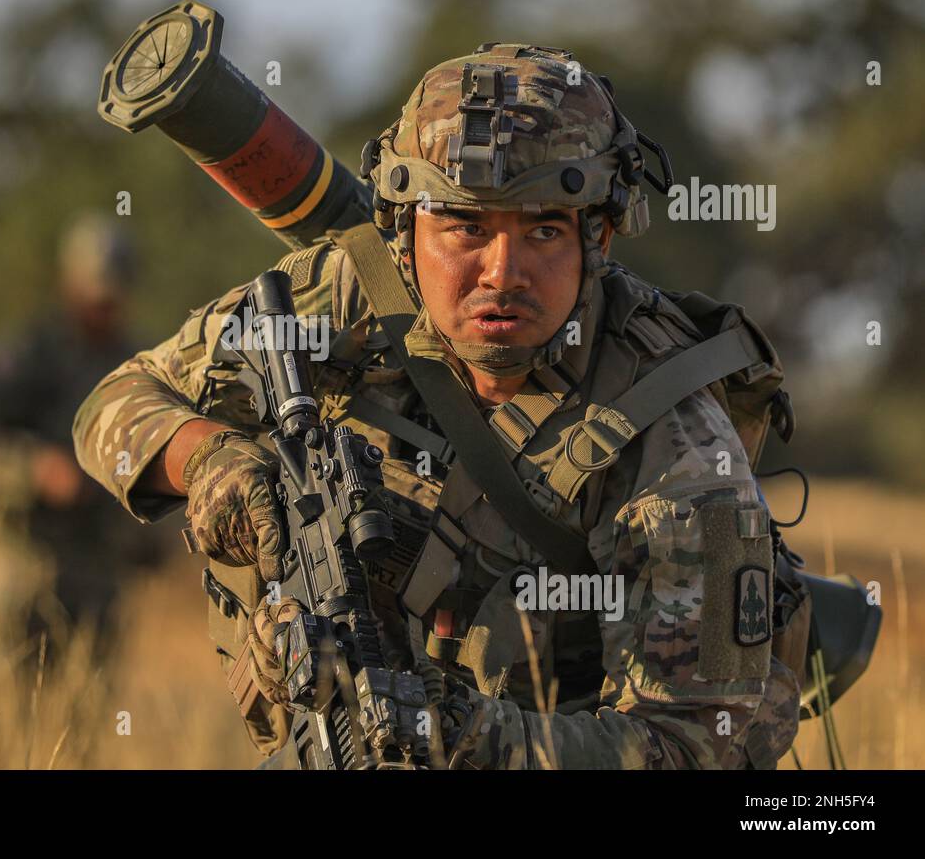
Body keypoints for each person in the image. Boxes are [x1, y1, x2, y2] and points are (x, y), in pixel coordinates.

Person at [73, 45, 803, 768]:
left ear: (599, 235)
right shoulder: (346, 295)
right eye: (465, 227)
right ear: (404, 228)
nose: (501, 273)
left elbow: (690, 748)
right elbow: (114, 406)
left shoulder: (674, 440)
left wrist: (461, 736)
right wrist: (208, 460)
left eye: (544, 229)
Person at [0, 214, 166, 634]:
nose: (101, 311)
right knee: (5, 696)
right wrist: (33, 469)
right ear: (68, 283)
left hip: (99, 576)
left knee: (86, 695)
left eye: (110, 300)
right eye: (92, 298)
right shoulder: (26, 354)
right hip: (24, 563)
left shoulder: (140, 365)